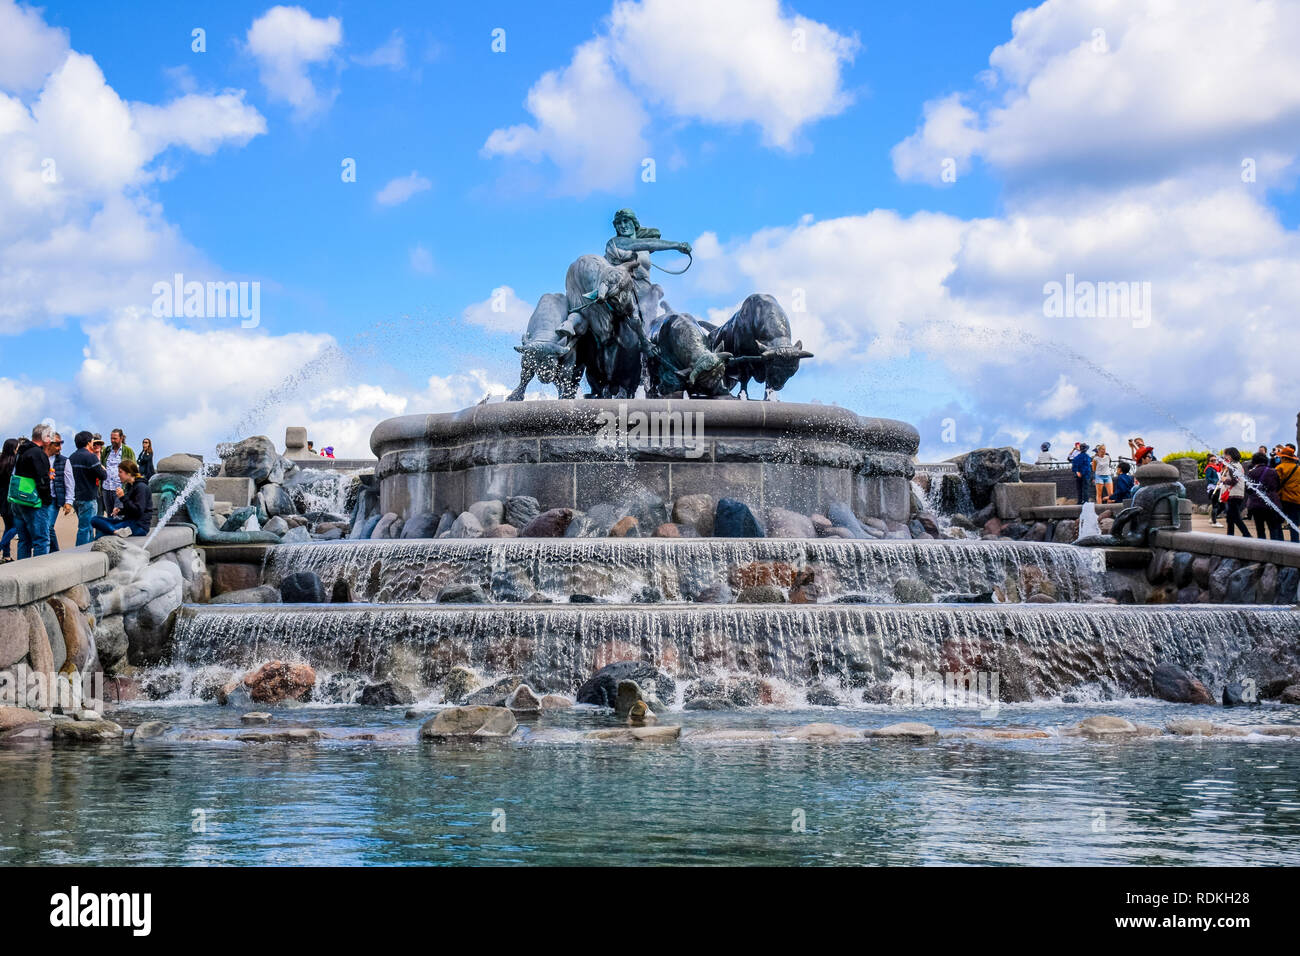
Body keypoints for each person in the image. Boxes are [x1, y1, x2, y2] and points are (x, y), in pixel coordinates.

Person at [8, 424, 54, 558]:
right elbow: (42, 480)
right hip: (33, 501)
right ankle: (39, 575)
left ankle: (22, 573)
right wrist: (47, 500)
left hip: (18, 499)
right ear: (45, 437)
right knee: (41, 540)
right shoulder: (38, 453)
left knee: (24, 540)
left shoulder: (21, 451)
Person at [90, 460, 152, 539]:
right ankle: (116, 532)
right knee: (94, 520)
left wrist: (122, 497)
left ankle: (114, 531)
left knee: (99, 536)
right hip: (127, 521)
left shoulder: (141, 487)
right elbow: (131, 509)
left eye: (120, 472)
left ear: (129, 473)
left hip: (139, 525)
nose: (118, 475)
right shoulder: (130, 486)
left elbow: (138, 511)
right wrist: (120, 511)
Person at [70, 431, 108, 546]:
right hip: (88, 497)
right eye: (92, 440)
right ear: (88, 442)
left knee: (87, 527)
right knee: (85, 528)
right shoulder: (90, 457)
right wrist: (101, 466)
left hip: (75, 497)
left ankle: (88, 551)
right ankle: (80, 554)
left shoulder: (72, 457)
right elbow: (103, 476)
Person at [45, 433, 73, 553]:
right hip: (38, 498)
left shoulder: (64, 461)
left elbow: (69, 482)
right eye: (57, 444)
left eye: (60, 444)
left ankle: (55, 553)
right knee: (42, 528)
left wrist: (68, 501)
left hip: (53, 499)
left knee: (48, 526)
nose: (60, 448)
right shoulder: (40, 457)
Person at [1245, 451, 1284, 541]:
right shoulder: (1273, 472)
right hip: (1271, 502)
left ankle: (1262, 550)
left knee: (1260, 529)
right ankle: (1275, 549)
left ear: (1254, 462)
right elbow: (1278, 486)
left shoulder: (1252, 473)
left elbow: (1248, 489)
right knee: (1273, 528)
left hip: (1257, 504)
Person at [98, 428, 135, 517]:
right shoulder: (107, 450)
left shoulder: (128, 451)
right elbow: (102, 464)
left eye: (115, 438)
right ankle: (111, 531)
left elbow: (133, 469)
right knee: (110, 515)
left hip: (120, 488)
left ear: (121, 438)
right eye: (111, 438)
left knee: (119, 514)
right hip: (106, 488)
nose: (112, 441)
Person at [1220, 447, 1251, 537]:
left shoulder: (1232, 466)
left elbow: (1234, 480)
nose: (1224, 457)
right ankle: (1230, 535)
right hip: (1238, 494)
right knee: (1230, 518)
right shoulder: (1238, 465)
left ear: (1229, 455)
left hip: (1233, 494)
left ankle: (1247, 534)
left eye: (1225, 454)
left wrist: (1224, 479)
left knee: (1235, 517)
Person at [1273, 443, 1300, 543]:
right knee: (1294, 524)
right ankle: (1295, 543)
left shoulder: (1279, 468)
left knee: (1277, 522)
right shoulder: (1298, 469)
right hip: (1296, 499)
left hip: (1283, 499)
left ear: (1283, 458)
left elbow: (1275, 483)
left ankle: (1281, 543)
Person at [0, 438, 19, 562]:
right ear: (13, 449)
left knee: (8, 526)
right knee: (16, 526)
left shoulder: (1, 461)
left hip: (1, 498)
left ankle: (6, 555)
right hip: (11, 499)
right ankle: (1, 547)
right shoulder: (14, 464)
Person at [1205, 455, 1224, 527]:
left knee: (1223, 506)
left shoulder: (1217, 469)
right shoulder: (1209, 468)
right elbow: (1208, 478)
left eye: (1215, 460)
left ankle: (1213, 518)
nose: (1214, 462)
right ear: (1208, 462)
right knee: (1215, 505)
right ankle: (1214, 522)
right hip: (1213, 488)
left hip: (1219, 488)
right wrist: (1216, 482)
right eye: (1212, 460)